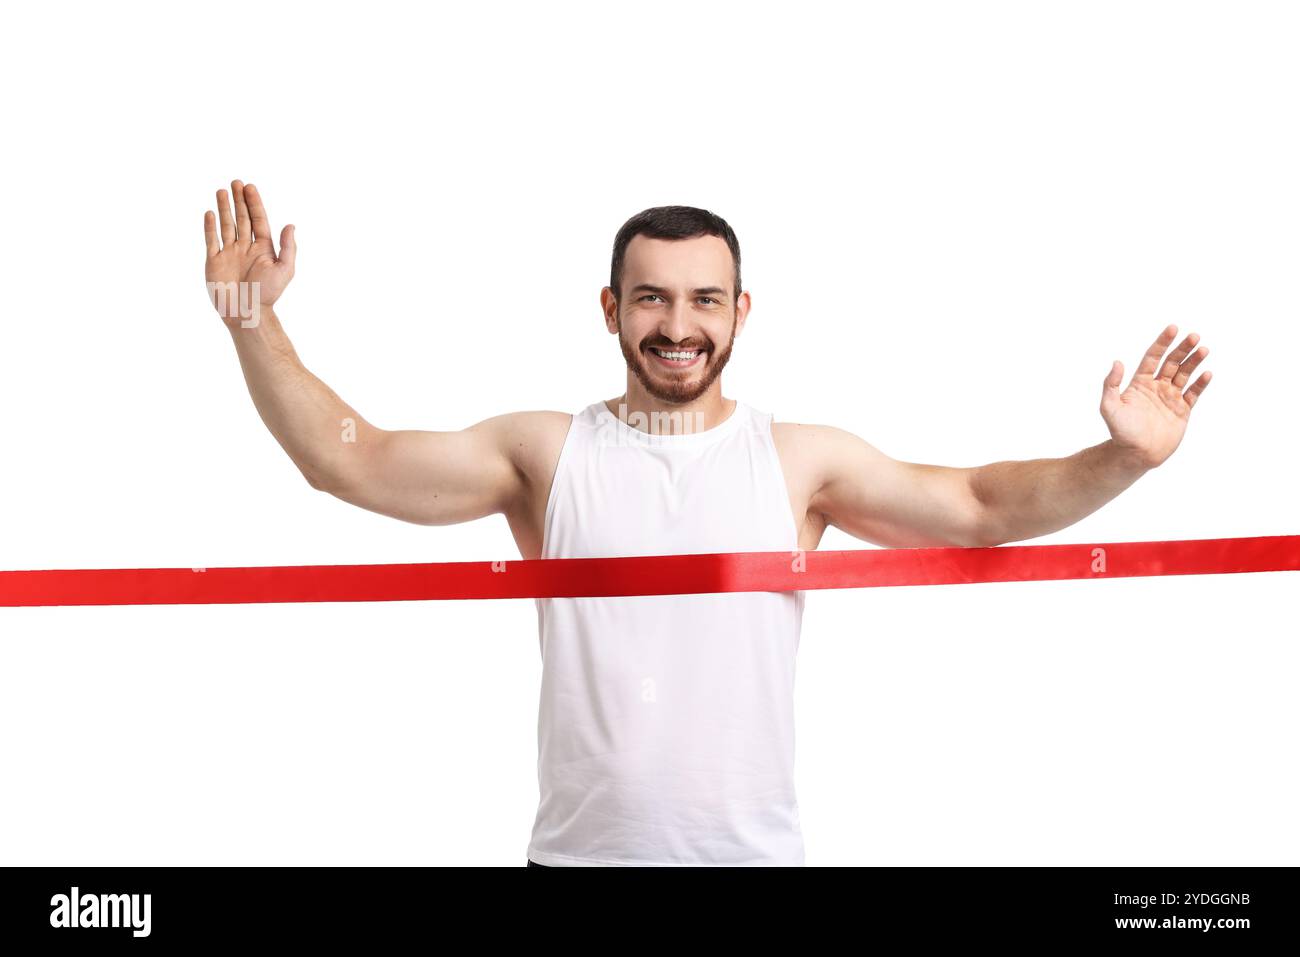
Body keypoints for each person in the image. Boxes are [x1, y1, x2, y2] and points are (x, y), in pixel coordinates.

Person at [202, 180, 1213, 866]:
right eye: (649, 298)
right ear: (609, 308)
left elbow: (977, 506)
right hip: (576, 861)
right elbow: (347, 458)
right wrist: (254, 316)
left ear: (739, 312)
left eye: (702, 301)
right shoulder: (544, 455)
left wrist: (1120, 458)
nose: (676, 327)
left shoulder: (796, 462)